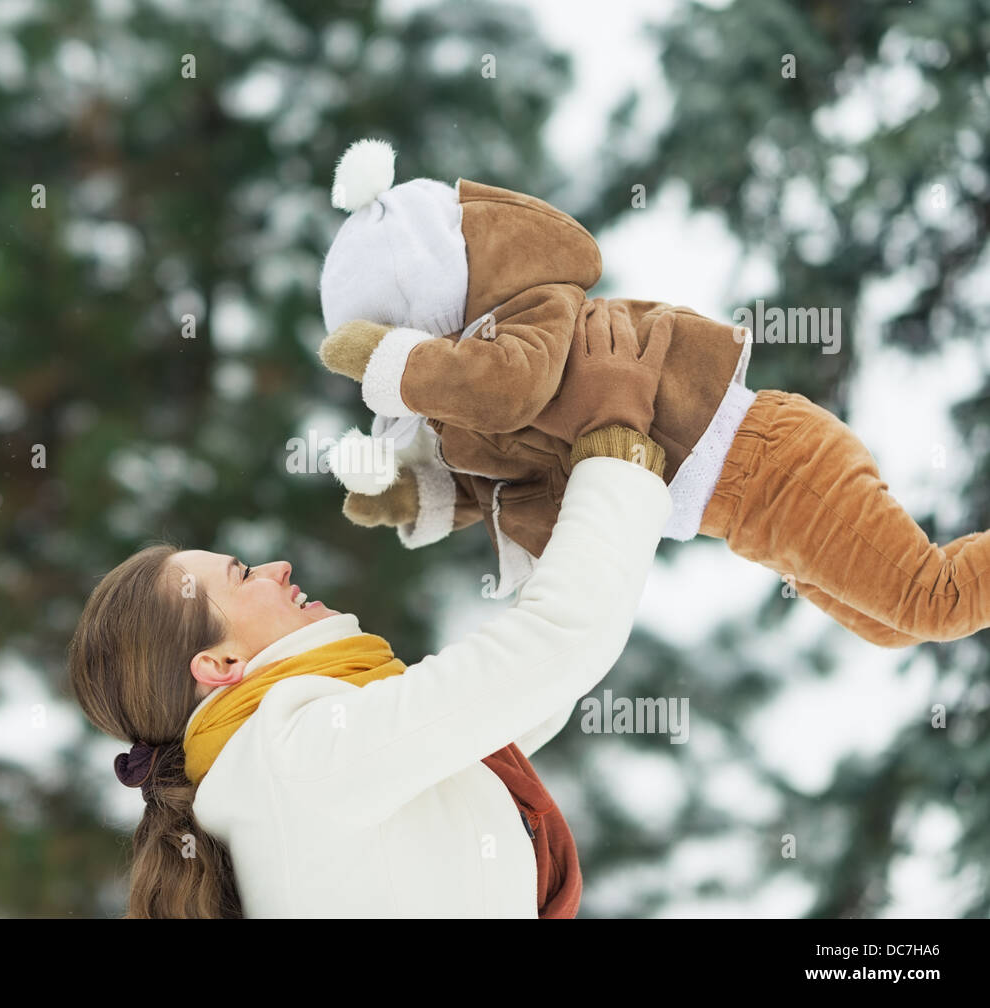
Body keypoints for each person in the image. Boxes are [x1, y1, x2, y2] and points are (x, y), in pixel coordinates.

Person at [67, 298, 674, 918]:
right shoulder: (293, 757)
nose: (278, 568)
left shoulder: (283, 772)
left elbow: (523, 695)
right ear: (219, 662)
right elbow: (556, 646)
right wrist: (617, 438)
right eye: (242, 574)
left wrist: (556, 508)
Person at [317, 138, 990, 646]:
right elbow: (501, 473)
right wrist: (414, 492)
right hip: (753, 513)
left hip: (779, 469)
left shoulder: (536, 318)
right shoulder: (504, 388)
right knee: (897, 626)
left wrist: (394, 363)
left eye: (410, 347)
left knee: (934, 599)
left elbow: (504, 390)